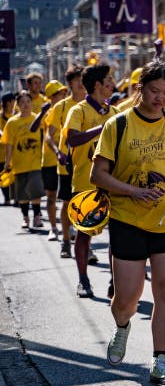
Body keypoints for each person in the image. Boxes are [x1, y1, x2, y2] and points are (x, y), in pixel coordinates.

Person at [91, 60, 165, 386]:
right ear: (140, 87)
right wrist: (133, 191)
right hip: (128, 219)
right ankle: (122, 326)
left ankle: (160, 361)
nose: (160, 98)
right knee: (127, 298)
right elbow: (98, 175)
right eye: (154, 91)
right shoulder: (118, 125)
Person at [65, 63, 118, 298]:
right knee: (84, 233)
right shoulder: (79, 111)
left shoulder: (115, 112)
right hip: (85, 184)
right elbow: (73, 140)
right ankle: (83, 280)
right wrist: (100, 129)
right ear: (98, 85)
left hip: (113, 184)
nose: (112, 84)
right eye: (109, 80)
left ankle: (114, 281)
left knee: (116, 236)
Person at [47, 66, 86, 259]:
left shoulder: (92, 104)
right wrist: (57, 152)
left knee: (86, 205)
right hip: (66, 163)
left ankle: (85, 244)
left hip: (87, 163)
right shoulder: (61, 106)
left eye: (83, 79)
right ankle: (65, 240)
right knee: (67, 203)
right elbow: (49, 135)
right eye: (78, 80)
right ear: (71, 83)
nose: (81, 83)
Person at [1, 91, 45, 231]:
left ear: (32, 103)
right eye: (22, 103)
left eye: (28, 102)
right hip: (19, 164)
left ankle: (37, 216)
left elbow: (45, 138)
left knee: (36, 190)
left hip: (36, 162)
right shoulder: (12, 122)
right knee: (23, 194)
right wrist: (7, 163)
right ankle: (25, 218)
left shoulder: (38, 119)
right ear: (17, 105)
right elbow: (9, 144)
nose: (25, 105)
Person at [37, 80, 69, 240]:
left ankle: (68, 228)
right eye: (58, 94)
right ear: (50, 97)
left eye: (63, 92)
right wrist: (42, 112)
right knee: (51, 197)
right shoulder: (49, 112)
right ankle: (53, 228)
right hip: (50, 160)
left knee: (67, 200)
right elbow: (35, 128)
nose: (62, 95)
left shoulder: (69, 108)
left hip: (66, 161)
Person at [0, 92, 16, 205]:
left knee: (15, 176)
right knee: (3, 175)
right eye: (12, 101)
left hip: (15, 152)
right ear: (8, 102)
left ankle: (16, 197)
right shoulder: (0, 117)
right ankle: (7, 197)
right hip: (1, 153)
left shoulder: (16, 116)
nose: (14, 103)